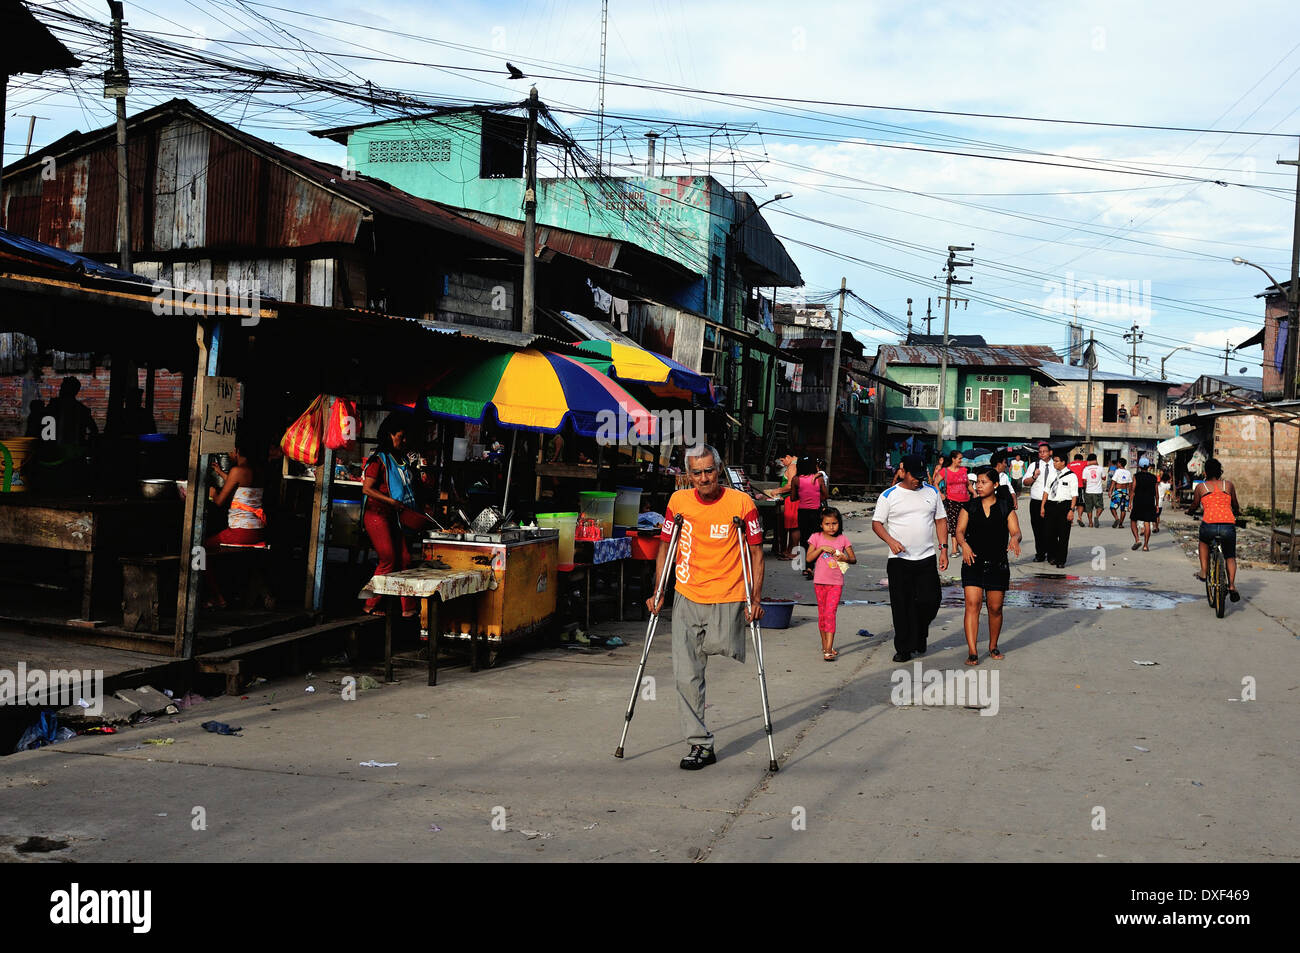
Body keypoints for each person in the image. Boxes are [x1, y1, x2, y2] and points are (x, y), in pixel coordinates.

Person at [647, 444, 764, 770]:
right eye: (696, 472)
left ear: (720, 469)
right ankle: (700, 744)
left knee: (723, 647)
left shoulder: (741, 503)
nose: (703, 478)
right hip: (687, 595)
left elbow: (755, 553)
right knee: (687, 674)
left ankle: (714, 648)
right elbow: (665, 546)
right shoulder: (678, 503)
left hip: (728, 595)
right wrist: (658, 592)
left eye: (709, 471)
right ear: (688, 475)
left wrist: (755, 599)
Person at [872, 454, 948, 663]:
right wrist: (890, 540)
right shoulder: (889, 495)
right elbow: (877, 523)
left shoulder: (931, 491)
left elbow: (941, 521)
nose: (918, 480)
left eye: (921, 476)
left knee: (931, 600)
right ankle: (904, 648)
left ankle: (920, 631)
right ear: (903, 472)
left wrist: (943, 549)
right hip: (899, 560)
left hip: (926, 557)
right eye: (914, 476)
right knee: (901, 605)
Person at [361, 414, 434, 618]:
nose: (404, 441)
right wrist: (391, 502)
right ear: (389, 435)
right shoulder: (379, 459)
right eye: (400, 437)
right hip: (377, 515)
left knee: (404, 559)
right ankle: (369, 603)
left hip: (394, 516)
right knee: (388, 559)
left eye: (405, 437)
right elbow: (367, 489)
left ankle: (408, 608)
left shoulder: (401, 459)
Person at [955, 467, 1021, 665]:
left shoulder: (1004, 507)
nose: (979, 486)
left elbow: (1016, 531)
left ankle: (993, 645)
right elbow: (959, 531)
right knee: (972, 604)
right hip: (972, 561)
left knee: (995, 608)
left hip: (997, 563)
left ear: (995, 485)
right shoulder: (969, 506)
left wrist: (1015, 539)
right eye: (977, 483)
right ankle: (973, 651)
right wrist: (964, 545)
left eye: (984, 482)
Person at [203, 435, 266, 609]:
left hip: (241, 532)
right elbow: (242, 485)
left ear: (237, 451)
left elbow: (219, 501)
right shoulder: (258, 470)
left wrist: (212, 491)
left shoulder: (237, 471)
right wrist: (222, 474)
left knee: (198, 550)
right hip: (257, 531)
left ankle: (215, 595)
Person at [805, 507, 855, 661]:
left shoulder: (843, 540)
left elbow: (853, 559)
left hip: (836, 583)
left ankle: (828, 649)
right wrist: (821, 549)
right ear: (821, 524)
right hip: (819, 582)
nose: (831, 527)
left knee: (830, 614)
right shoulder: (815, 538)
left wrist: (844, 558)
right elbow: (808, 559)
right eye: (827, 524)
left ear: (839, 523)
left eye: (834, 523)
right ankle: (826, 645)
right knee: (822, 614)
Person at [1193, 458, 1241, 602]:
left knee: (1203, 542)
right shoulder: (1229, 485)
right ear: (1220, 472)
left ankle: (1203, 571)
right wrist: (1237, 512)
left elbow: (1194, 505)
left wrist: (1189, 511)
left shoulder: (1201, 487)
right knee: (1230, 556)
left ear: (1205, 472)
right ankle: (1231, 585)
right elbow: (1235, 504)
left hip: (1209, 525)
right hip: (1228, 525)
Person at [1041, 451, 1079, 569]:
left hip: (1064, 506)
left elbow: (1074, 495)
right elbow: (1046, 491)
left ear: (1063, 462)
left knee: (1063, 535)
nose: (1054, 463)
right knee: (1049, 534)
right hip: (1051, 506)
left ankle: (1061, 560)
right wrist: (1042, 506)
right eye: (1054, 461)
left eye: (1057, 461)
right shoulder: (1051, 475)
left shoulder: (1072, 476)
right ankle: (1052, 556)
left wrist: (1071, 510)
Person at [791, 456, 827, 578]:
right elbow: (825, 495)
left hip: (802, 512)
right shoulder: (819, 479)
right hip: (816, 512)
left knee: (804, 539)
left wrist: (803, 495)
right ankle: (812, 566)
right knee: (815, 539)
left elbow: (793, 498)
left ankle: (806, 567)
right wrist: (816, 498)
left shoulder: (796, 479)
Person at [1019, 442, 1054, 562]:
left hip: (1051, 502)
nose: (1042, 453)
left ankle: (1051, 554)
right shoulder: (1034, 465)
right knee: (1038, 529)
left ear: (1050, 452)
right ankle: (1040, 553)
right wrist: (1034, 476)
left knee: (1051, 529)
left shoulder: (1056, 465)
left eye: (1044, 451)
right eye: (1040, 452)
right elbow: (1025, 482)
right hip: (1036, 502)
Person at [764, 450, 802, 560]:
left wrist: (778, 490)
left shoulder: (792, 467)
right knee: (792, 526)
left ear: (788, 457)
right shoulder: (795, 464)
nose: (782, 463)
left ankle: (793, 551)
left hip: (792, 499)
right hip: (790, 498)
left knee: (794, 527)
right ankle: (788, 550)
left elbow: (791, 485)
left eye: (782, 460)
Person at [937, 450, 969, 551]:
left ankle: (962, 544)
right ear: (953, 459)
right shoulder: (945, 471)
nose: (961, 460)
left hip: (965, 500)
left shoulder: (964, 470)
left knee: (965, 524)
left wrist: (975, 493)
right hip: (952, 501)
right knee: (954, 524)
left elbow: (967, 484)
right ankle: (954, 549)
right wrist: (940, 494)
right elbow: (935, 483)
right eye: (959, 458)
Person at [1129, 458, 1160, 552]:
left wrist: (1130, 503)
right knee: (1147, 523)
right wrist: (1157, 505)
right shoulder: (1154, 477)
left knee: (1133, 520)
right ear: (1148, 467)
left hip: (1138, 501)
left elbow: (1133, 490)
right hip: (1150, 502)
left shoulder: (1136, 476)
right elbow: (1156, 493)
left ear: (1139, 466)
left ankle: (1137, 539)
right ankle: (1146, 545)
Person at [1081, 453, 1106, 528]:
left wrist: (1086, 487)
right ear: (1096, 459)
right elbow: (1104, 478)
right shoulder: (1100, 468)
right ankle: (1097, 517)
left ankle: (1090, 523)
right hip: (1098, 491)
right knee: (1100, 507)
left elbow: (1084, 481)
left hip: (1088, 491)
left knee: (1089, 508)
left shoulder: (1085, 469)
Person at [1109, 458, 1133, 528]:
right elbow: (1130, 484)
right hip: (1125, 491)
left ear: (1119, 464)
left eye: (1117, 463)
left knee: (1112, 507)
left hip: (1118, 491)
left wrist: (1110, 491)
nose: (1117, 464)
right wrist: (1130, 493)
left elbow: (1113, 482)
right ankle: (1121, 524)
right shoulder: (1128, 472)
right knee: (1123, 509)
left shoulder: (1117, 471)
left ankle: (1116, 518)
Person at [1068, 454, 1088, 522]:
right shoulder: (1083, 463)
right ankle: (1079, 517)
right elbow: (1094, 462)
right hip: (1080, 485)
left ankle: (1071, 519)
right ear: (1081, 459)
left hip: (1070, 486)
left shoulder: (1069, 465)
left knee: (1071, 502)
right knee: (1080, 503)